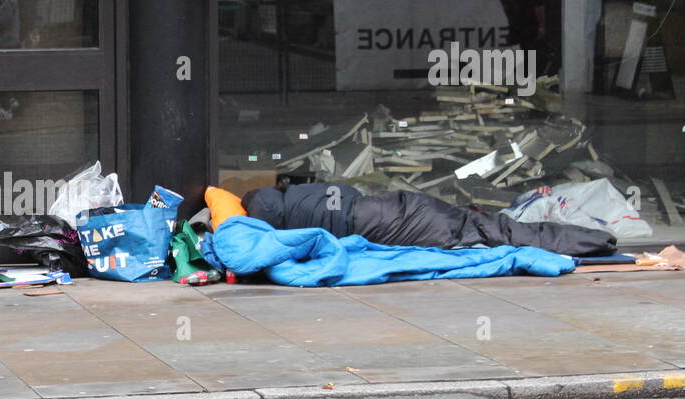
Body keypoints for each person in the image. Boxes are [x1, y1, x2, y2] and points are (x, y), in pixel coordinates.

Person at [243, 178, 615, 257]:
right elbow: (347, 191)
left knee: (499, 233)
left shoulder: (290, 222)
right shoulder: (300, 193)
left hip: (396, 223)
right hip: (400, 205)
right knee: (495, 226)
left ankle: (592, 241)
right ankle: (591, 238)